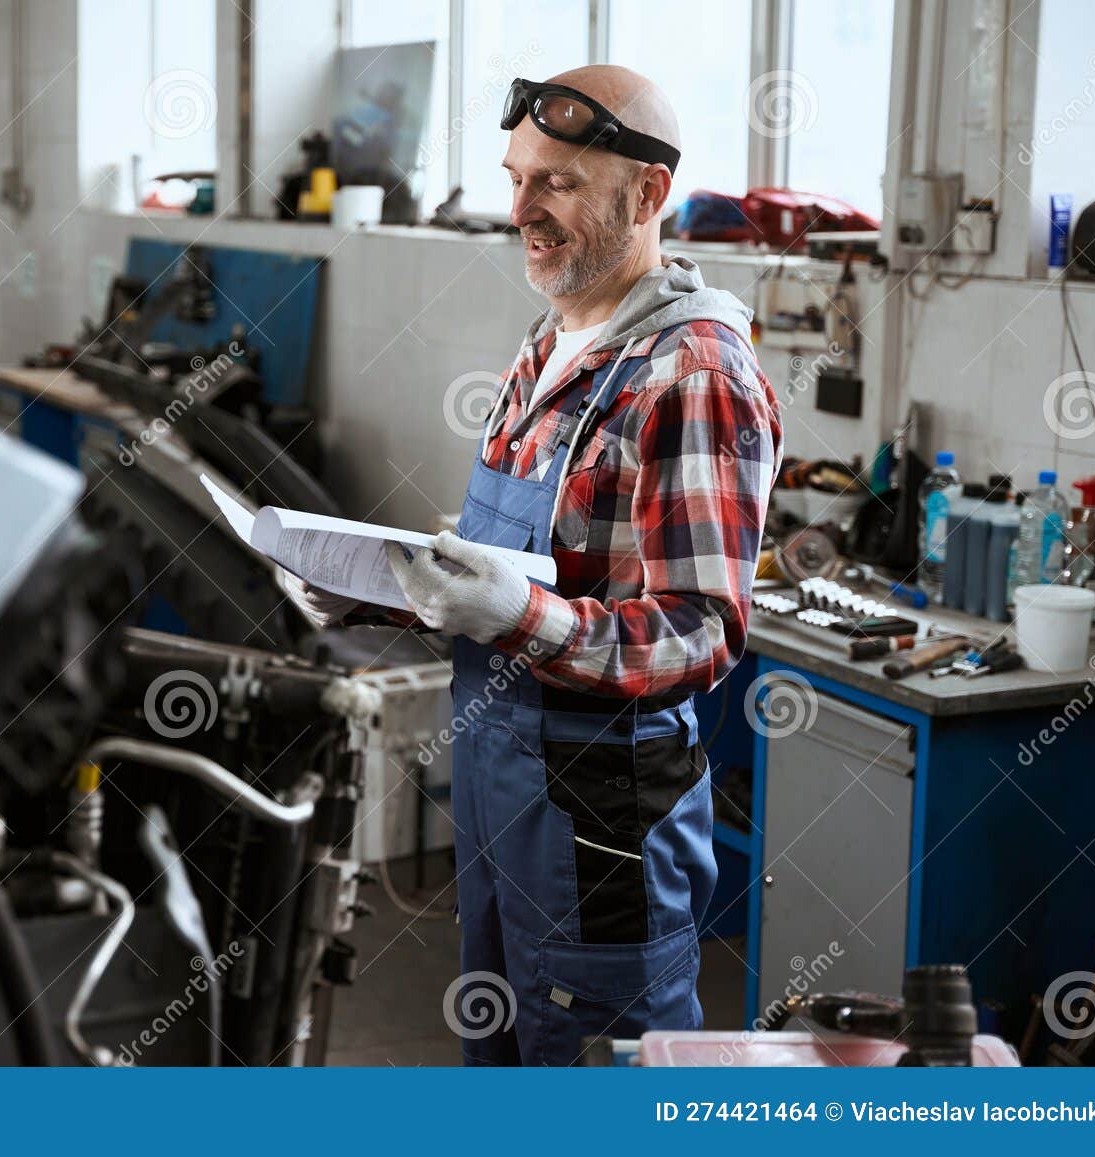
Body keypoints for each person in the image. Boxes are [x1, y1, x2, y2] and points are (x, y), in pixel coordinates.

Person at [285, 65, 782, 1065]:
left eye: (555, 181)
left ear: (646, 195)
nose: (521, 210)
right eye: (515, 178)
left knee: (599, 1076)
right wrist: (398, 591)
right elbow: (536, 573)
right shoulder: (552, 340)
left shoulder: (692, 375)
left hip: (600, 827)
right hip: (502, 792)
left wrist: (510, 610)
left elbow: (697, 632)